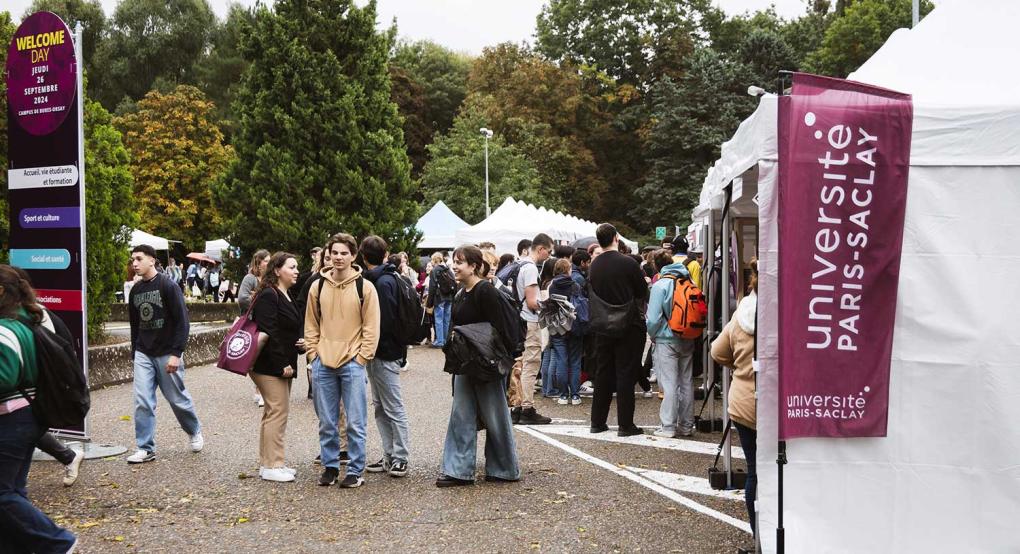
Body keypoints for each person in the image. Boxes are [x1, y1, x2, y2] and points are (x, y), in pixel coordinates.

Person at [0, 265, 78, 552]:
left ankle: (59, 542)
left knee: (3, 494)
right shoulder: (28, 320)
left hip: (13, 419)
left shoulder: (5, 329)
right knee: (13, 490)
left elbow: (5, 376)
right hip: (31, 415)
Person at [437, 246, 520, 487]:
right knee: (460, 415)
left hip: (486, 364)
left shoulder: (485, 291)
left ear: (474, 266)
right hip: (465, 363)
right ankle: (458, 471)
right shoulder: (461, 292)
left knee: (495, 416)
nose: (454, 266)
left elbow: (504, 326)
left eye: (460, 262)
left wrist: (501, 361)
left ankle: (504, 468)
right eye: (454, 261)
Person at [305, 233, 380, 489]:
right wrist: (313, 354)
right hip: (323, 361)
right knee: (327, 421)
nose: (338, 257)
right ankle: (330, 466)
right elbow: (311, 323)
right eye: (334, 253)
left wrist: (361, 358)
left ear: (353, 256)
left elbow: (371, 327)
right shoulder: (318, 286)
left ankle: (356, 469)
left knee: (355, 421)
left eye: (344, 253)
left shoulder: (365, 287)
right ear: (329, 255)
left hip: (352, 362)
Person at [125, 245, 202, 463]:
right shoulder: (136, 291)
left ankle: (194, 429)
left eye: (139, 259)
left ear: (152, 260)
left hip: (167, 352)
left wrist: (176, 353)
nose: (135, 264)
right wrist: (135, 353)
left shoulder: (168, 286)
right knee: (142, 400)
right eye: (133, 260)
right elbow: (134, 325)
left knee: (177, 399)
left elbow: (182, 322)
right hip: (143, 352)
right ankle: (145, 447)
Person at [588, 224, 648, 437]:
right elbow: (642, 291)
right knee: (626, 372)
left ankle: (597, 421)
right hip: (628, 324)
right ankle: (625, 424)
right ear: (615, 238)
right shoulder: (628, 263)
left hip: (602, 324)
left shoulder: (594, 266)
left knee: (603, 372)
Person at [711, 259, 758, 537]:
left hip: (743, 402)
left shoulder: (743, 312)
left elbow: (717, 352)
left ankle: (758, 536)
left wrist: (740, 369)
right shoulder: (791, 312)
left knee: (754, 471)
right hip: (779, 405)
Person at [250, 252, 304, 482]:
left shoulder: (284, 293)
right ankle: (273, 464)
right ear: (276, 270)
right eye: (291, 267)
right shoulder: (269, 296)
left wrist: (300, 345)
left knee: (272, 412)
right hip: (270, 365)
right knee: (277, 412)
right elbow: (269, 330)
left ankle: (268, 462)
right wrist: (283, 363)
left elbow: (285, 329)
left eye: (296, 267)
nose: (296, 271)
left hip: (278, 362)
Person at [360, 236, 411, 478]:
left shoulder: (380, 283)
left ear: (361, 257)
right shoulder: (389, 278)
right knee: (382, 406)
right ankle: (391, 454)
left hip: (383, 351)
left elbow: (385, 321)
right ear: (384, 254)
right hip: (385, 350)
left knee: (390, 406)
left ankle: (399, 456)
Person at [646, 249, 697, 438]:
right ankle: (686, 425)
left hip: (666, 339)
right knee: (686, 382)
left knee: (669, 383)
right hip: (688, 336)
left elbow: (652, 319)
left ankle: (668, 426)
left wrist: (653, 335)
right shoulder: (688, 281)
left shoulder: (660, 285)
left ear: (656, 266)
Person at [509, 234, 554, 425]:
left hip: (518, 319)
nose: (549, 255)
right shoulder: (530, 269)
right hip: (529, 320)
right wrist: (549, 304)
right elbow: (532, 302)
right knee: (531, 363)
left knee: (520, 364)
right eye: (549, 251)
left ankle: (517, 406)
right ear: (541, 248)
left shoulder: (519, 265)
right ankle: (527, 407)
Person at [548, 258, 583, 405]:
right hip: (573, 326)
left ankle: (563, 395)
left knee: (561, 361)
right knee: (575, 361)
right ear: (568, 270)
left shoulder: (551, 286)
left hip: (557, 326)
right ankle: (575, 395)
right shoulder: (575, 284)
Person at [240, 250, 270, 407]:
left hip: (266, 322)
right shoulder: (250, 278)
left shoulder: (269, 278)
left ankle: (262, 390)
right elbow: (242, 298)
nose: (269, 263)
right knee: (255, 358)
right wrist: (259, 299)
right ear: (258, 262)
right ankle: (259, 390)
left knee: (264, 357)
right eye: (266, 260)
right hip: (252, 323)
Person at [427, 253, 456, 348]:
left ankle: (440, 341)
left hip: (439, 298)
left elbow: (432, 287)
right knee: (446, 319)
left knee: (438, 319)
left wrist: (429, 302)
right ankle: (445, 340)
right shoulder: (448, 270)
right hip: (449, 297)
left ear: (435, 260)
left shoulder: (434, 271)